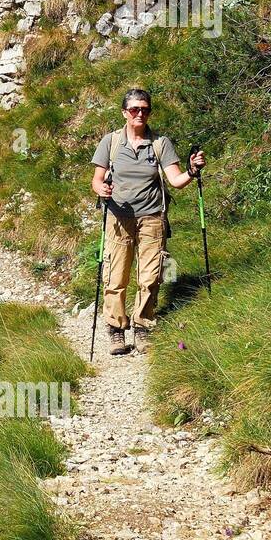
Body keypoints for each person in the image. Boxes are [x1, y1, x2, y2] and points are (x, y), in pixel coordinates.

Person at [91, 88, 207, 354]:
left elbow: (175, 180)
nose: (140, 113)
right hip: (118, 217)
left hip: (152, 217)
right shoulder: (110, 142)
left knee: (151, 276)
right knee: (115, 276)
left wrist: (192, 170)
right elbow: (96, 180)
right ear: (125, 113)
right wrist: (102, 190)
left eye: (144, 109)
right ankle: (117, 330)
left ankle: (142, 326)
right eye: (134, 109)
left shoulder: (160, 143)